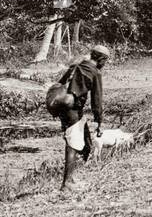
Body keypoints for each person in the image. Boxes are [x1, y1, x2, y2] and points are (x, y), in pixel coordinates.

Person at [46, 45, 111, 190]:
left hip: (66, 108)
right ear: (101, 59)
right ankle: (67, 183)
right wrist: (99, 121)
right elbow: (97, 100)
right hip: (72, 109)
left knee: (86, 143)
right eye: (105, 61)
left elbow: (60, 83)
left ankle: (72, 178)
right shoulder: (95, 72)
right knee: (73, 144)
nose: (105, 64)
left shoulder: (76, 65)